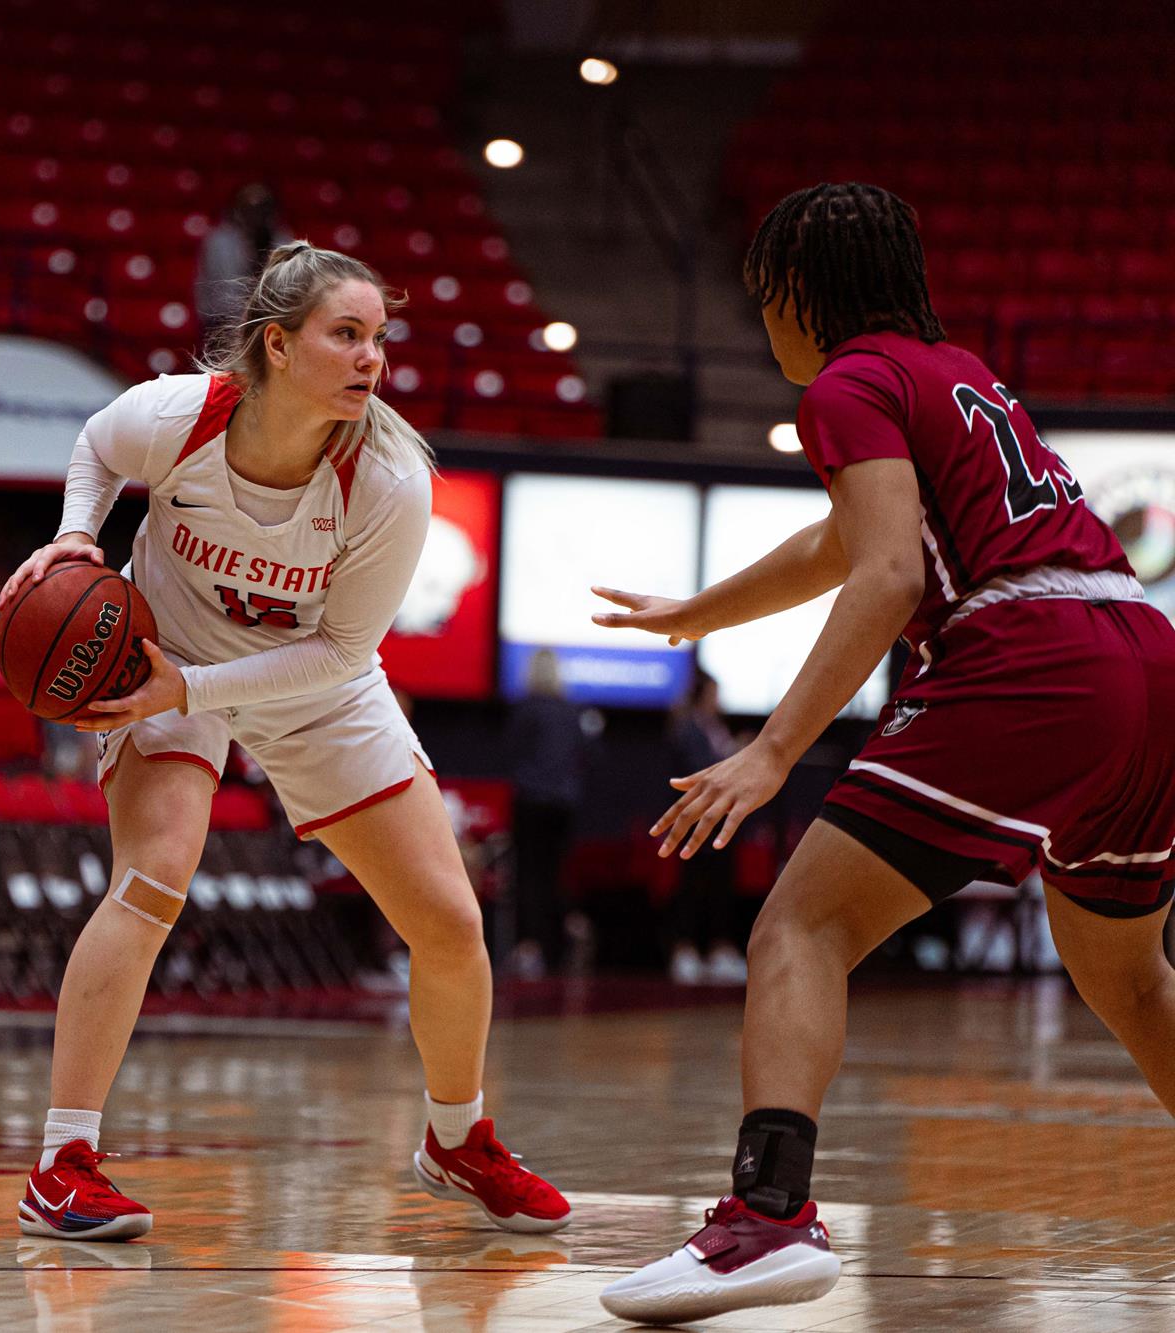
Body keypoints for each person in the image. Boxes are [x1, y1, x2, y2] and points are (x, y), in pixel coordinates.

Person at [592, 182, 1175, 1324]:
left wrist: (769, 750)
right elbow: (844, 537)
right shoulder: (951, 371)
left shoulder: (847, 379)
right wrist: (699, 613)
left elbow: (887, 576)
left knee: (800, 926)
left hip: (1031, 657)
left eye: (766, 297)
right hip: (1145, 655)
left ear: (797, 295)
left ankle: (765, 1219)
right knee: (1129, 981)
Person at [0, 241, 570, 1243]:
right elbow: (96, 440)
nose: (369, 359)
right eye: (345, 335)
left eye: (378, 340)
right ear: (277, 343)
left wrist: (202, 687)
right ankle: (61, 1161)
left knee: (446, 920)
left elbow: (343, 649)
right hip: (160, 655)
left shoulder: (387, 481)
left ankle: (454, 1135)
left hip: (309, 681)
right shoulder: (181, 416)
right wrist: (78, 537)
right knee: (153, 879)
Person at [501, 649, 590, 980]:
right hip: (564, 806)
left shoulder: (525, 709)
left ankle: (529, 949)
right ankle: (555, 951)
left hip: (531, 802)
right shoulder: (572, 711)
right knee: (555, 876)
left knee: (528, 875)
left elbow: (510, 753)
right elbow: (589, 756)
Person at [664, 670, 748, 985]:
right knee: (692, 886)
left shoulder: (717, 728)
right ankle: (684, 951)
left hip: (723, 820)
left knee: (720, 889)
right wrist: (730, 756)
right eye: (713, 693)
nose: (718, 700)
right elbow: (695, 772)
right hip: (695, 819)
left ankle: (718, 950)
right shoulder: (686, 728)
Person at [195, 183, 288, 335]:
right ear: (237, 209)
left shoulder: (282, 242)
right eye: (249, 208)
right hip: (225, 323)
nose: (256, 215)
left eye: (262, 208)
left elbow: (285, 291)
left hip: (270, 321)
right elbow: (218, 289)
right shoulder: (220, 242)